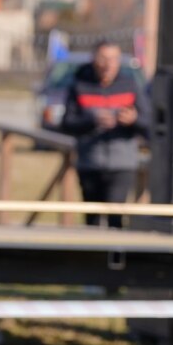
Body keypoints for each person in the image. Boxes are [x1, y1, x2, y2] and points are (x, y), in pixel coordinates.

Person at [59, 41, 149, 229]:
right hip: (89, 162)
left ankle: (116, 256)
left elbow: (150, 124)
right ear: (94, 60)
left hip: (122, 163)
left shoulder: (130, 85)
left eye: (113, 59)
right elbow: (67, 123)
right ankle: (92, 256)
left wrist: (133, 120)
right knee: (92, 219)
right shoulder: (80, 84)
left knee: (115, 216)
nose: (108, 64)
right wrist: (92, 120)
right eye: (103, 59)